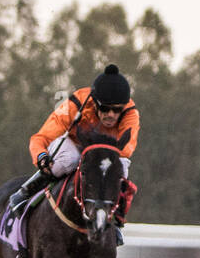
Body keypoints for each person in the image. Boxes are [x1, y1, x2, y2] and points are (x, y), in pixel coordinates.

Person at [7, 64, 139, 215]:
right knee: (70, 159)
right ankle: (27, 190)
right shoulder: (76, 103)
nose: (111, 115)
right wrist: (41, 156)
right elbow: (42, 137)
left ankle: (116, 218)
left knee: (121, 165)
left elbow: (126, 149)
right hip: (73, 145)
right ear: (95, 102)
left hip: (104, 151)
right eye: (105, 109)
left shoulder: (131, 113)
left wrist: (96, 155)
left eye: (117, 110)